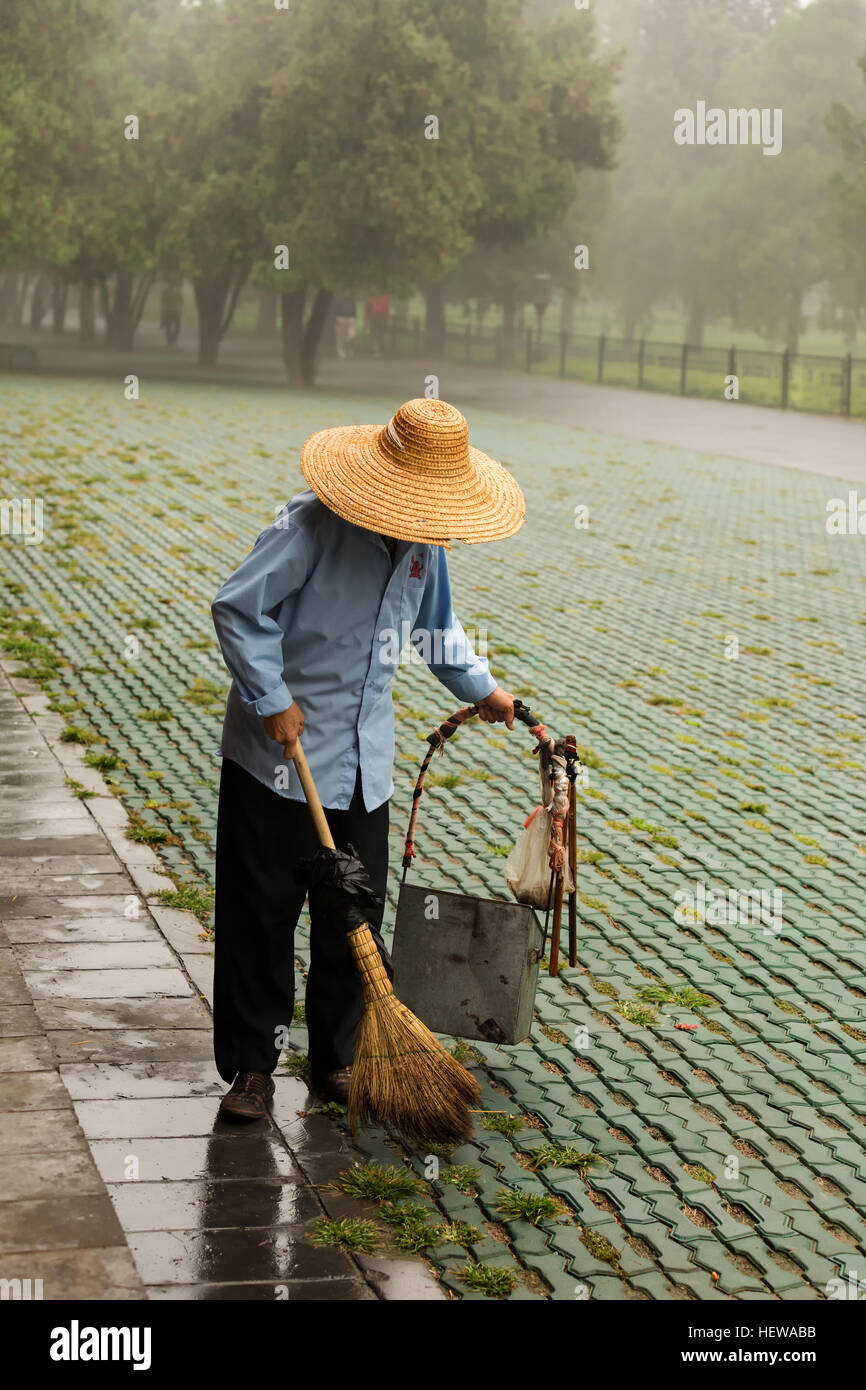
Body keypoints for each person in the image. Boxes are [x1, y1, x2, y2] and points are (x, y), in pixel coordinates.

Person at [210, 396, 526, 1120]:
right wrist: (271, 697)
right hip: (280, 760)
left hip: (361, 766)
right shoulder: (309, 527)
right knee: (262, 917)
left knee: (352, 914)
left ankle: (336, 1058)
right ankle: (253, 1069)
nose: (424, 518)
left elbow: (437, 631)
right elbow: (238, 608)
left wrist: (483, 689)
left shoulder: (423, 549)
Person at [364, 290, 390, 357]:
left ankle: (380, 350)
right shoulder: (370, 298)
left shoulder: (385, 297)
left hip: (381, 316)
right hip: (373, 316)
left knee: (381, 334)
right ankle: (374, 350)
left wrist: (387, 319)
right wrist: (366, 320)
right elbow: (367, 310)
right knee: (373, 334)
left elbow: (387, 309)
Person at [160, 280, 182, 345]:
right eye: (170, 283)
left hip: (176, 311)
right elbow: (163, 302)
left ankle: (174, 338)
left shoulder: (177, 291)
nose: (171, 284)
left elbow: (181, 301)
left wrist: (180, 310)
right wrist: (163, 311)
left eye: (173, 283)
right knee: (168, 327)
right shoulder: (165, 292)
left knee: (177, 327)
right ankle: (169, 340)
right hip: (168, 311)